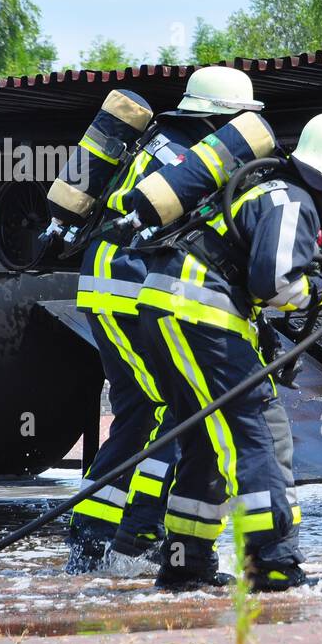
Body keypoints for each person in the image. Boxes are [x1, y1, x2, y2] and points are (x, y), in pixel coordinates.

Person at [134, 108, 322, 591]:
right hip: (198, 316)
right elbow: (274, 285)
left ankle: (186, 564)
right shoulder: (292, 200)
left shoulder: (265, 186)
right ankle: (272, 563)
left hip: (166, 309)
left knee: (205, 442)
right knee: (260, 433)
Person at [46, 67, 275, 572]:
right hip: (128, 288)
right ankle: (100, 533)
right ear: (226, 117)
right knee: (156, 408)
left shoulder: (160, 140)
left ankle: (133, 530)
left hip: (112, 284)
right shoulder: (202, 159)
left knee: (154, 409)